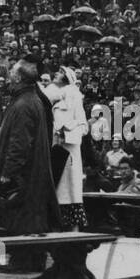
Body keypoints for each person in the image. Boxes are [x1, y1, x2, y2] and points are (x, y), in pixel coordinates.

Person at [0, 58, 61, 264]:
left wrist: (6, 175)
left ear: (18, 78)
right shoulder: (29, 99)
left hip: (23, 175)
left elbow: (19, 146)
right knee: (26, 218)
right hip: (30, 172)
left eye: (11, 73)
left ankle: (25, 261)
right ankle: (25, 259)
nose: (8, 77)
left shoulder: (23, 104)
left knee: (19, 218)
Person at [51, 65, 88, 231]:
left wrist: (66, 131)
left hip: (69, 153)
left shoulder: (74, 97)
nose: (56, 74)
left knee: (69, 192)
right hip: (53, 149)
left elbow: (83, 126)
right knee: (56, 189)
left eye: (59, 73)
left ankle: (73, 231)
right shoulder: (51, 96)